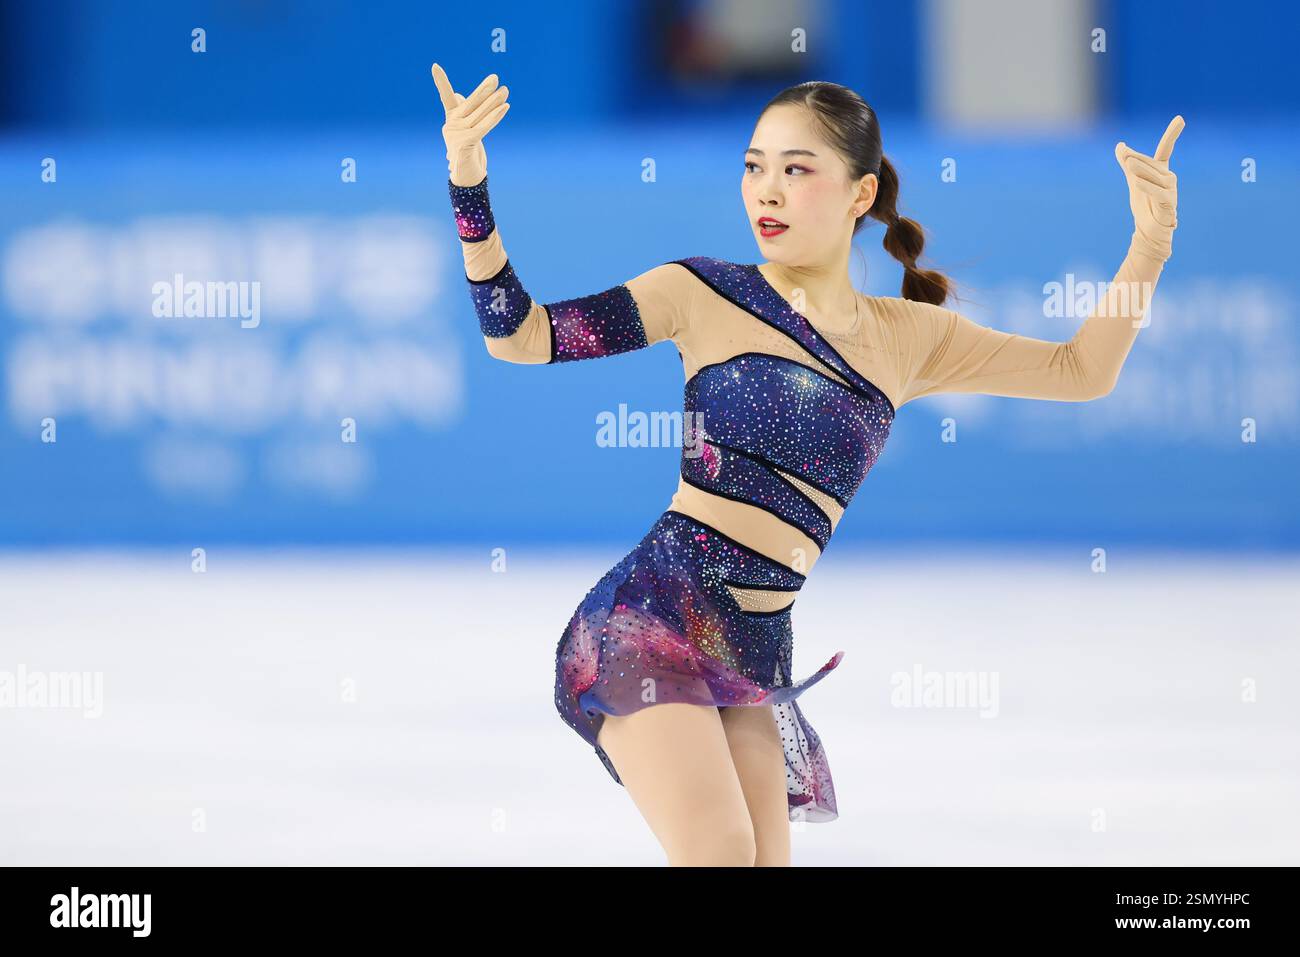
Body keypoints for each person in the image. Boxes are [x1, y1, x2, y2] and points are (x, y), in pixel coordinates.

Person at [431, 64, 1182, 866]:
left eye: (797, 169)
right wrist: (468, 183)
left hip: (751, 649)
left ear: (860, 195)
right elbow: (520, 334)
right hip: (648, 618)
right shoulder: (701, 292)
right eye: (755, 166)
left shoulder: (909, 337)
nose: (768, 191)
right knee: (719, 848)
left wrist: (1151, 243)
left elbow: (1081, 371)